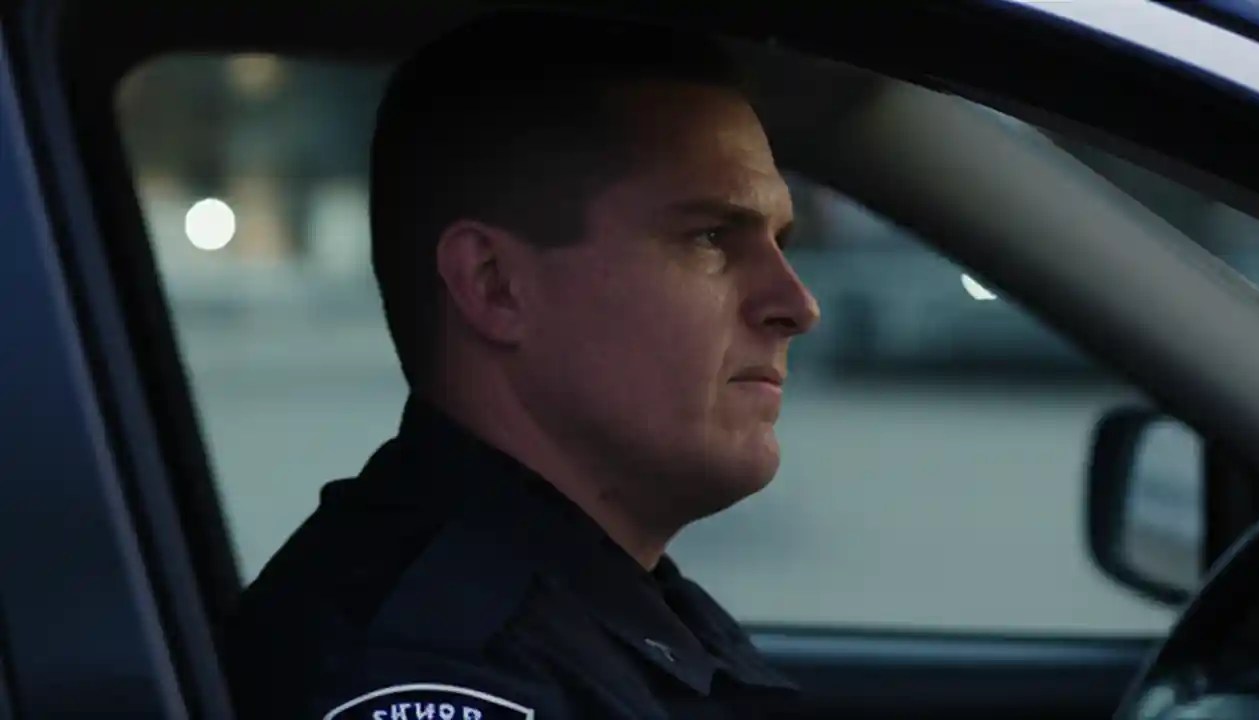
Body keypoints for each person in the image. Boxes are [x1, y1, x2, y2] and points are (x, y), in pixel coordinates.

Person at [224, 9, 820, 720]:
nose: (797, 305)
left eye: (782, 242)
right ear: (494, 285)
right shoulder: (440, 668)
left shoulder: (594, 610)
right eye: (712, 237)